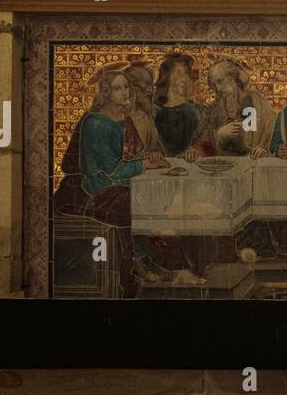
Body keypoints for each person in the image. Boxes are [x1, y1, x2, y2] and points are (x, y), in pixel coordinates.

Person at [67, 67, 170, 296]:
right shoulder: (96, 123)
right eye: (117, 88)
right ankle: (136, 272)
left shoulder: (125, 119)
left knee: (160, 200)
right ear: (105, 93)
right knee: (138, 207)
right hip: (99, 193)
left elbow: (131, 156)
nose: (125, 92)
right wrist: (144, 165)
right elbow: (112, 171)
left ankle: (151, 265)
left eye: (126, 87)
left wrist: (147, 156)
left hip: (122, 186)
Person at [196, 58, 274, 156]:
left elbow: (271, 130)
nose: (218, 88)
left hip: (253, 162)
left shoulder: (255, 100)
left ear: (233, 78)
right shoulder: (212, 109)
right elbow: (201, 144)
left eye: (220, 81)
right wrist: (218, 133)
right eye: (214, 84)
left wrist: (263, 148)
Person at [152, 53, 211, 159]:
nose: (184, 78)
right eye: (178, 73)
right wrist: (153, 152)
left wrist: (196, 150)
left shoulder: (199, 111)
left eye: (186, 74)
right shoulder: (152, 111)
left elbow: (207, 144)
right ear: (166, 76)